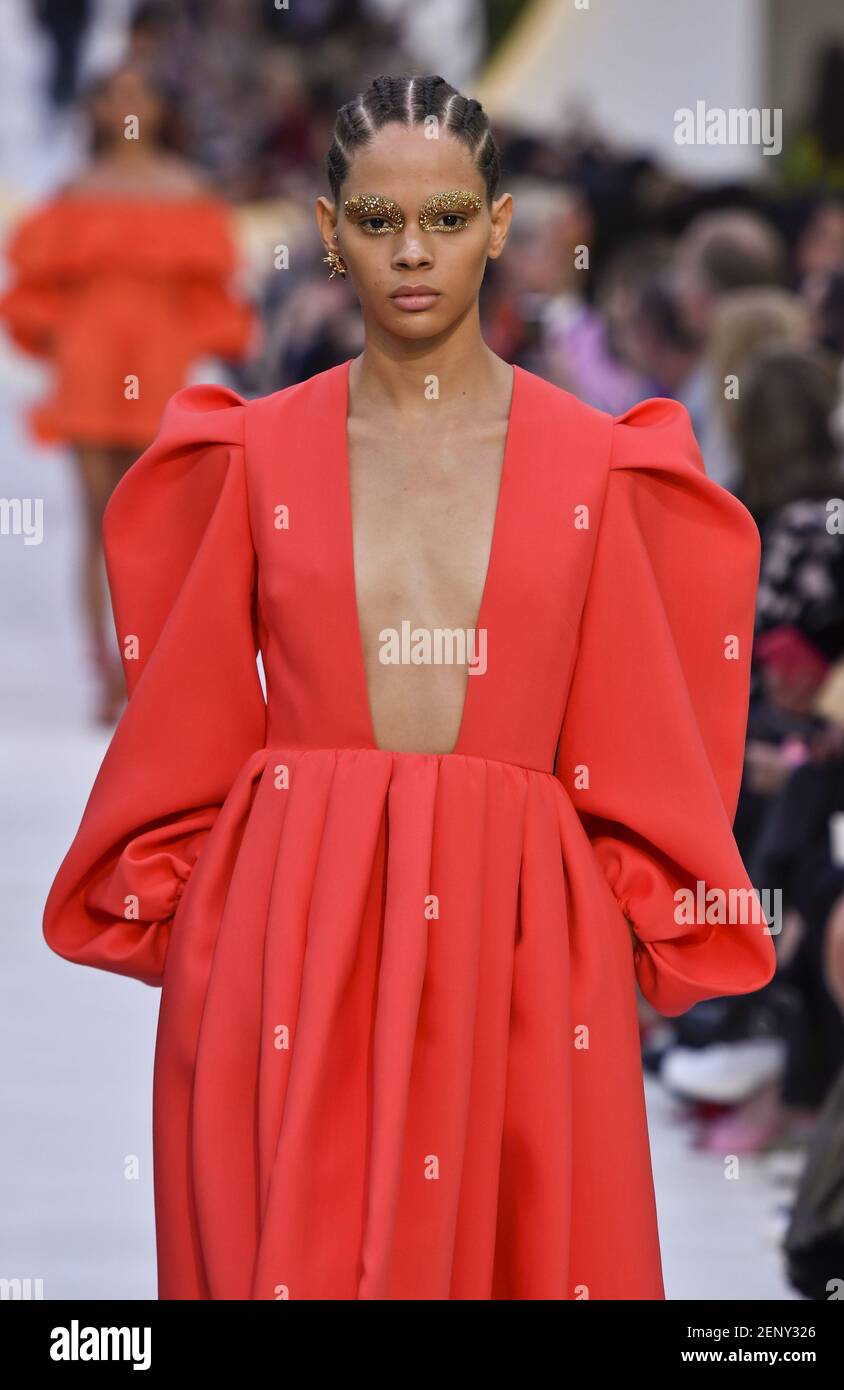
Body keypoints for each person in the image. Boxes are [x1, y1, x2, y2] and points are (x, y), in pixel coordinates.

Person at [41, 73, 776, 1301]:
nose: (413, 253)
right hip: (290, 931)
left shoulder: (605, 470)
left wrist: (615, 926)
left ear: (498, 223)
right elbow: (183, 733)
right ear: (328, 232)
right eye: (377, 224)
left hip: (522, 936)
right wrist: (206, 919)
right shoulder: (246, 454)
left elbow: (649, 744)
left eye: (444, 217)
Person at [0, 60, 257, 721]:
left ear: (162, 109)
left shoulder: (189, 193)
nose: (126, 105)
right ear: (95, 110)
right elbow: (30, 292)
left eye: (138, 92)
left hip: (157, 364)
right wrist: (62, 334)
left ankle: (145, 663)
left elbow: (216, 298)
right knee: (97, 516)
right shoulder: (75, 193)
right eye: (114, 94)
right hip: (90, 365)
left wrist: (185, 336)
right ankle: (104, 670)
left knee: (153, 517)